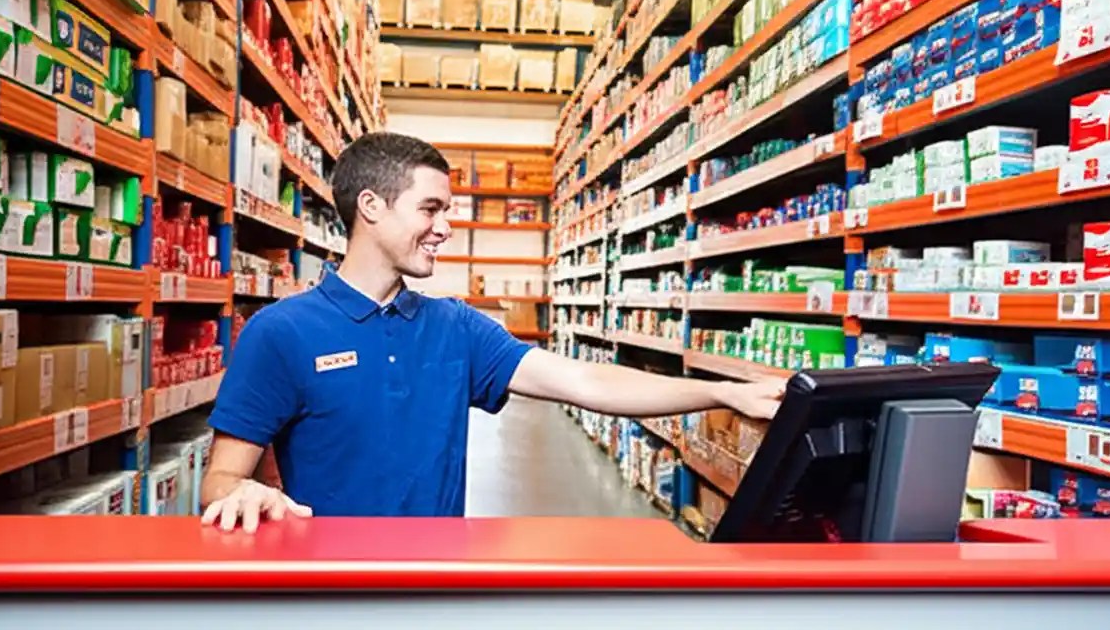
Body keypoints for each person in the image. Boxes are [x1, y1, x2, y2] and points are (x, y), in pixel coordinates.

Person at [200, 132, 786, 533]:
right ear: (372, 207)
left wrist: (722, 392)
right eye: (431, 209)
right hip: (326, 594)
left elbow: (586, 382)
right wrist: (242, 494)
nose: (445, 228)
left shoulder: (455, 327)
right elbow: (220, 478)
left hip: (438, 588)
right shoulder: (280, 334)